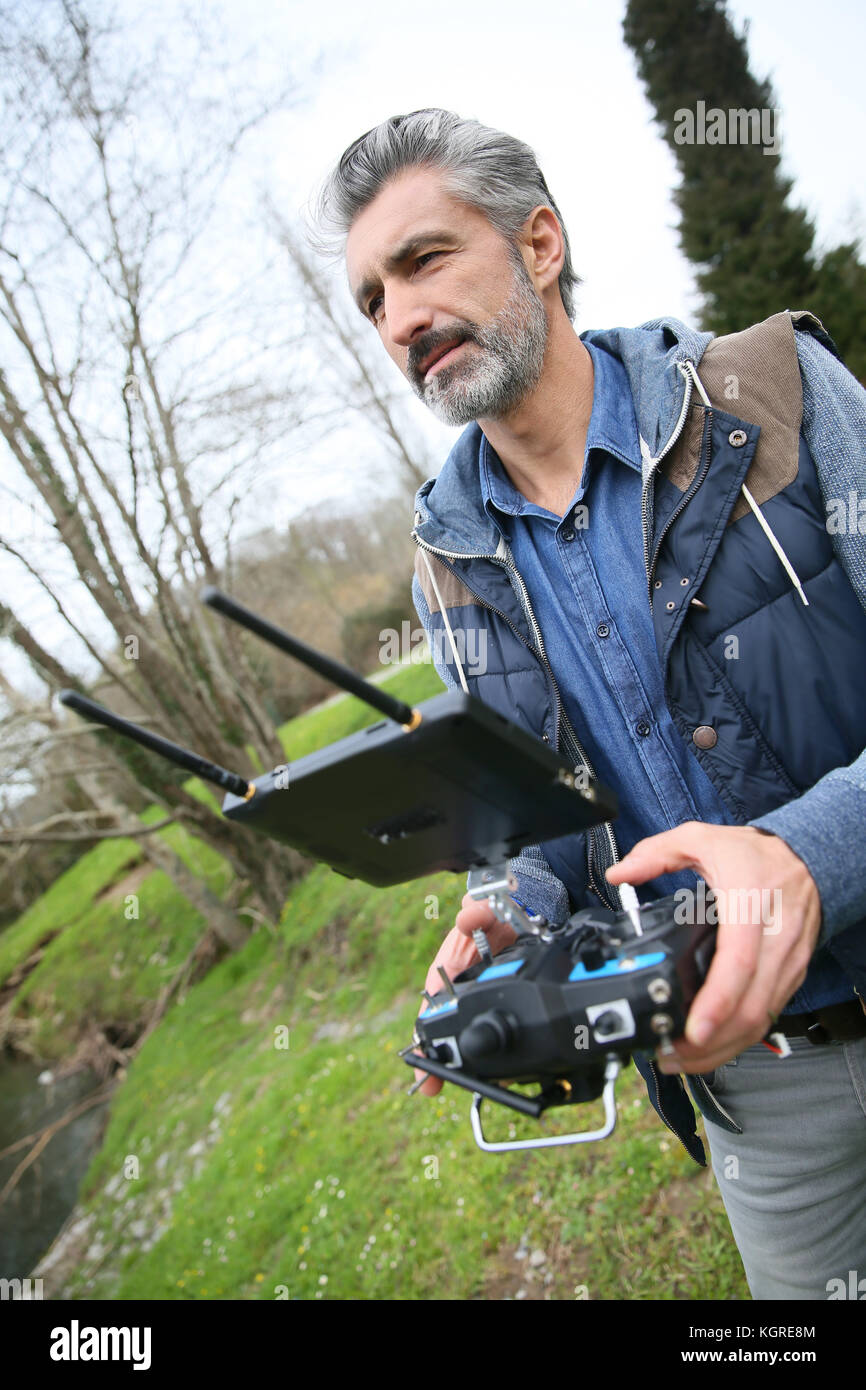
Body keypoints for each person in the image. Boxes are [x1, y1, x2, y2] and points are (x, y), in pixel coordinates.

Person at [315, 108, 866, 1299]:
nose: (399, 320)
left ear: (541, 243)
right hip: (756, 1089)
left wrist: (808, 852)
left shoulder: (767, 389)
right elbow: (537, 818)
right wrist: (508, 903)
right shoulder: (446, 559)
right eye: (370, 300)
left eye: (423, 262)